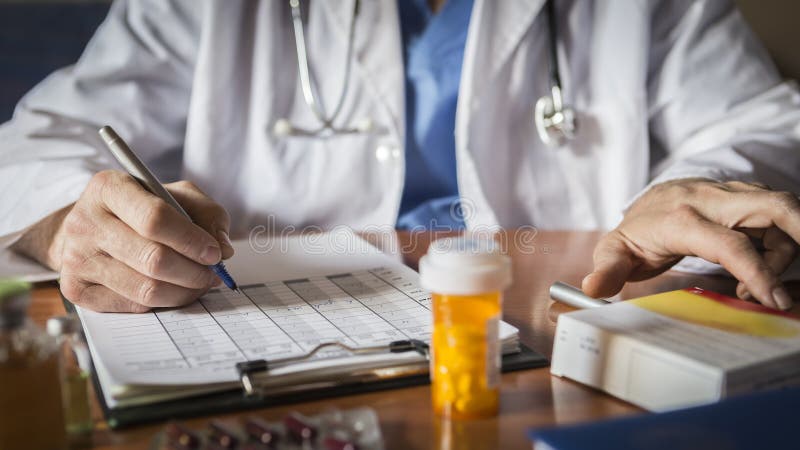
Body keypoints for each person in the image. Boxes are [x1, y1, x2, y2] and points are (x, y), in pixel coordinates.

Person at [1, 0, 799, 313]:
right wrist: (77, 219)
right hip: (288, 342)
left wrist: (695, 189)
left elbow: (765, 118)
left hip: (553, 340)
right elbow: (31, 147)